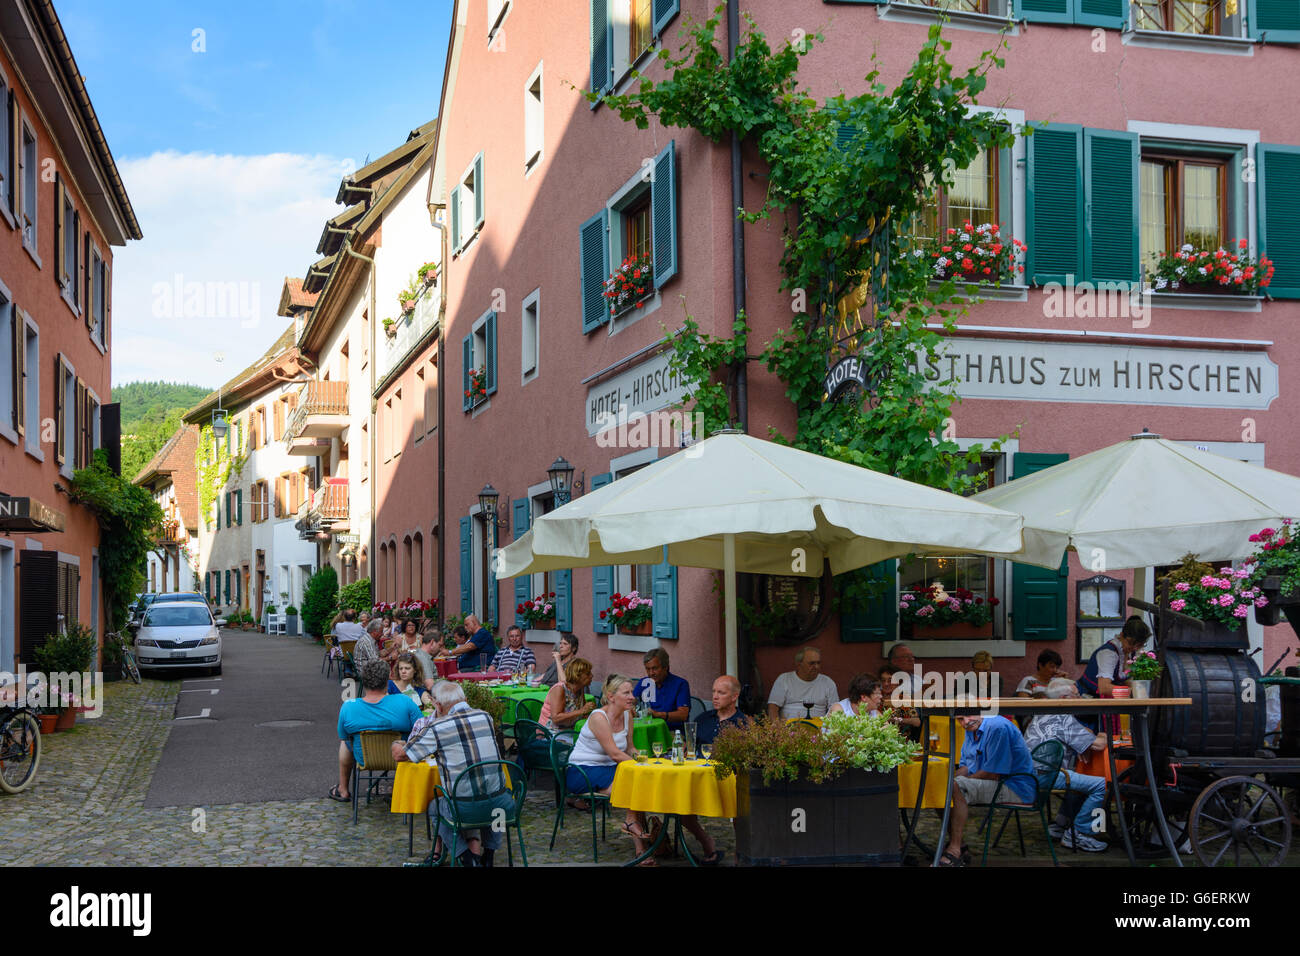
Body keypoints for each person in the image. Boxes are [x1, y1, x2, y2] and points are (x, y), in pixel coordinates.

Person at [394, 680, 513, 867]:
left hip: (464, 809)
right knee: (493, 792)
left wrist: (397, 743)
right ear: (465, 699)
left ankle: (465, 856)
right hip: (504, 806)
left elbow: (401, 756)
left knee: (435, 807)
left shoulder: (437, 728)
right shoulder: (486, 716)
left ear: (438, 706)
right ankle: (488, 855)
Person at [566, 675, 655, 863]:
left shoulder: (627, 714)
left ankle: (639, 845)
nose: (632, 696)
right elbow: (615, 753)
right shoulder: (599, 717)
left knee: (639, 783)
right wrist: (642, 765)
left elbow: (630, 748)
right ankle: (637, 838)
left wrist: (646, 760)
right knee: (633, 784)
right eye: (626, 693)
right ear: (611, 696)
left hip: (609, 768)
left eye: (632, 692)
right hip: (583, 770)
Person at [938, 712, 1036, 866]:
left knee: (954, 787)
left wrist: (956, 783)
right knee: (941, 787)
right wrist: (947, 781)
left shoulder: (997, 727)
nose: (966, 722)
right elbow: (966, 767)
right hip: (994, 781)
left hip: (1015, 787)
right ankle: (960, 845)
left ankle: (955, 850)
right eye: (960, 719)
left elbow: (992, 773)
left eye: (968, 715)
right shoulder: (973, 728)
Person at [1024, 677, 1109, 852]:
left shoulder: (1044, 713)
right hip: (1045, 775)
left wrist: (1085, 740)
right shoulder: (1062, 717)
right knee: (1101, 784)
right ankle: (1079, 834)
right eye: (1077, 695)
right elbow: (1099, 744)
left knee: (1077, 776)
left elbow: (1080, 737)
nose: (1081, 699)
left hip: (1028, 774)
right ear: (1064, 699)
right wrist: (1106, 736)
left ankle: (1060, 825)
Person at [330, 659, 422, 803]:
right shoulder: (405, 701)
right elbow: (422, 729)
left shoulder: (348, 707)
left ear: (363, 681)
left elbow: (344, 736)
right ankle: (405, 788)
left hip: (364, 758)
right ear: (387, 681)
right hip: (399, 757)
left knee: (346, 742)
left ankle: (343, 789)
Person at [1078, 616, 1150, 698]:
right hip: (1088, 699)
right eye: (1130, 643)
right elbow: (1104, 688)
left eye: (1139, 645)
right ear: (1122, 635)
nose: (1134, 648)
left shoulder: (1131, 653)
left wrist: (1140, 688)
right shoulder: (1108, 653)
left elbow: (1123, 681)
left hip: (1109, 701)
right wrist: (1132, 692)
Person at [767, 647, 838, 721]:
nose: (816, 667)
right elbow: (773, 707)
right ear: (799, 664)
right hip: (789, 728)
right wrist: (776, 725)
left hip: (818, 728)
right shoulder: (784, 679)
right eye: (812, 663)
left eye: (818, 663)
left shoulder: (828, 682)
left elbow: (835, 710)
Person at [633, 648, 690, 730]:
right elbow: (631, 703)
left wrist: (659, 715)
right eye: (648, 669)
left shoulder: (680, 684)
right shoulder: (644, 683)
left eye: (655, 668)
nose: (651, 673)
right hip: (647, 731)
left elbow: (683, 715)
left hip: (672, 733)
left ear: (665, 667)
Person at [540, 658, 596, 730]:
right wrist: (581, 710)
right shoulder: (559, 689)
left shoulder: (580, 688)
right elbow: (556, 718)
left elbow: (583, 714)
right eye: (588, 673)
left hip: (570, 729)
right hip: (551, 732)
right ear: (577, 675)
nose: (592, 676)